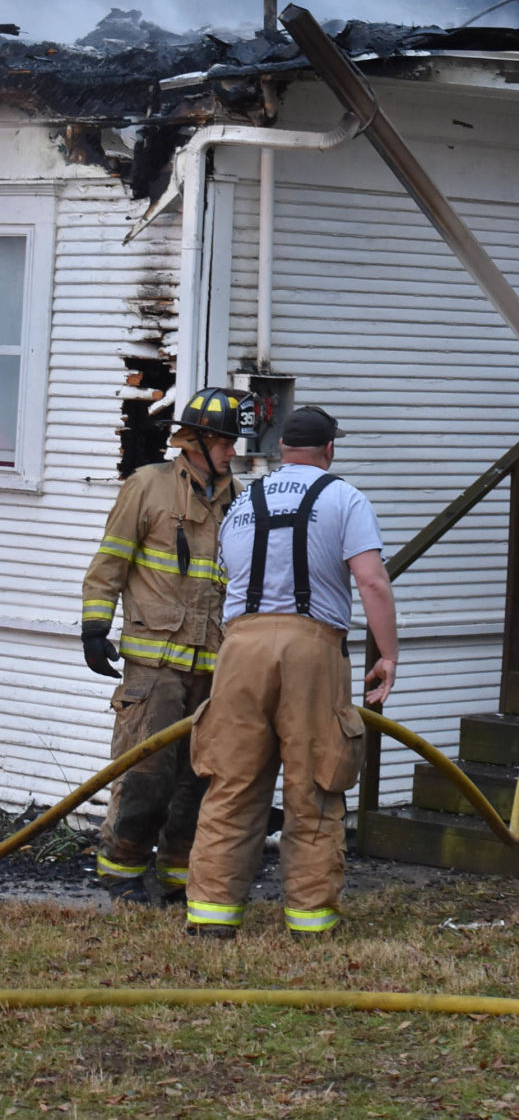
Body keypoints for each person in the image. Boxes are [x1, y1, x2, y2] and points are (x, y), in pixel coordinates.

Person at [185, 404, 398, 940]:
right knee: (315, 785)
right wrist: (388, 654)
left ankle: (211, 915)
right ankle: (309, 919)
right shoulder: (345, 498)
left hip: (240, 649)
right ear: (330, 449)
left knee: (232, 782)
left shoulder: (242, 502)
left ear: (281, 450)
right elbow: (371, 581)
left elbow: (225, 579)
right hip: (312, 650)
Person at [80, 387, 247, 903]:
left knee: (198, 779)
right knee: (146, 776)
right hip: (154, 666)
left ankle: (178, 877)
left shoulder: (239, 501)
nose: (233, 450)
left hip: (214, 667)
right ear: (195, 441)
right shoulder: (147, 487)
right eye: (224, 441)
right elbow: (110, 562)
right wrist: (94, 628)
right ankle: (122, 874)